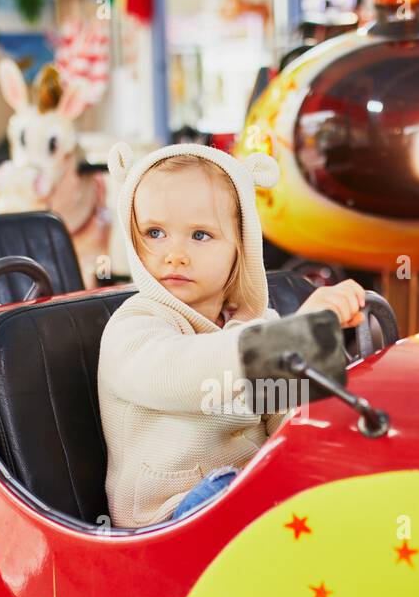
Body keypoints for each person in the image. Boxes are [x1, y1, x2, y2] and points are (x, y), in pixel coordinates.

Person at [98, 141, 366, 527]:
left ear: (241, 248)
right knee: (245, 495)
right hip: (169, 518)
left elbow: (290, 416)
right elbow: (187, 373)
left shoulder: (250, 325)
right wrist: (291, 335)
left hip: (251, 490)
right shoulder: (133, 328)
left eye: (200, 235)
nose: (175, 254)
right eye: (155, 233)